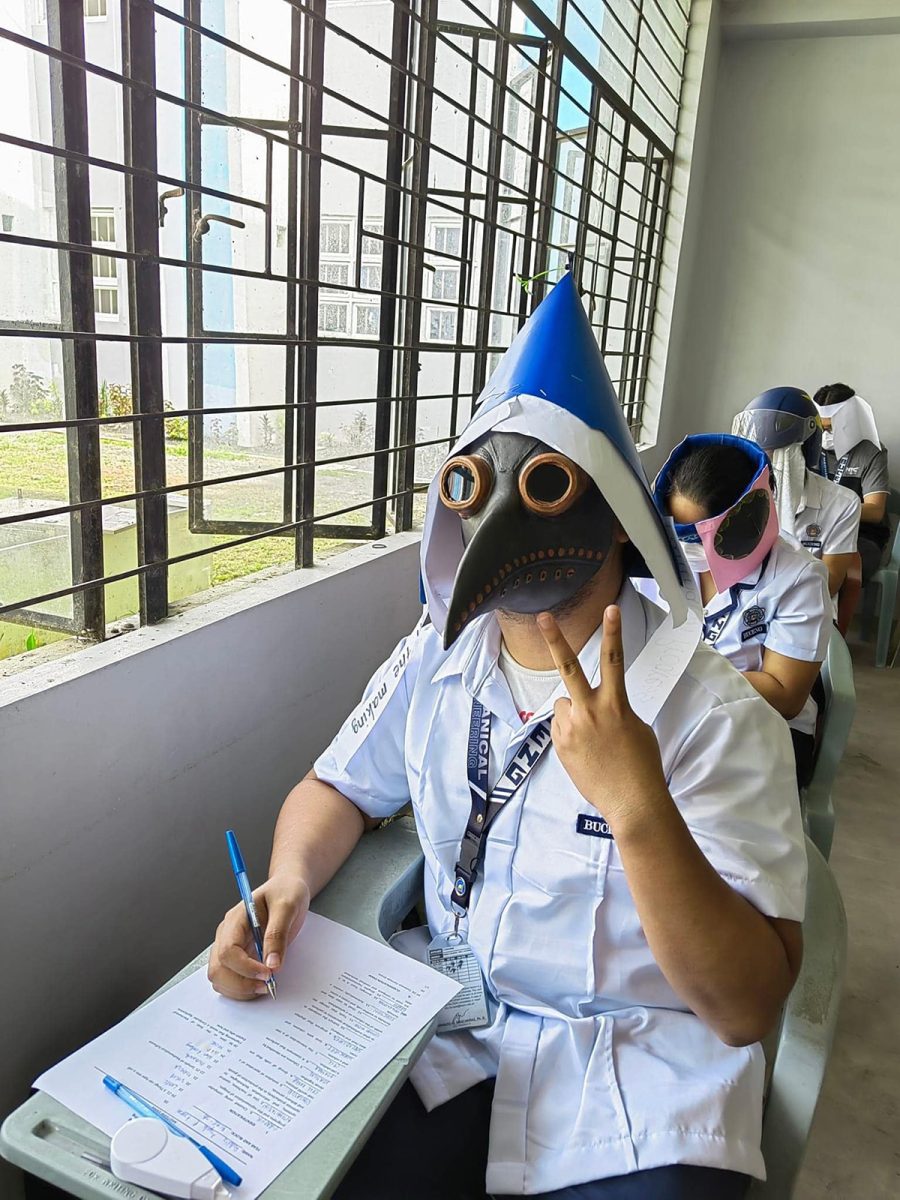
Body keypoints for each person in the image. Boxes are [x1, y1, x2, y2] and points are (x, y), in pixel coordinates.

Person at [208, 272, 806, 1200]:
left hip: (640, 1088)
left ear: (615, 519)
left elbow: (744, 1008)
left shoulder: (718, 720)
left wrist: (639, 808)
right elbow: (333, 791)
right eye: (475, 490)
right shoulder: (432, 662)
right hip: (449, 1033)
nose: (499, 524)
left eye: (545, 487)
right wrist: (288, 879)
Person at [647, 434, 831, 787]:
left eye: (705, 536)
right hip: (673, 714)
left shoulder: (798, 578)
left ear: (749, 521)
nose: (694, 547)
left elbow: (785, 694)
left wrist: (671, 676)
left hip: (765, 724)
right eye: (685, 534)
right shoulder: (659, 560)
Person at [732, 387, 860, 598]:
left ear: (805, 451)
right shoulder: (738, 493)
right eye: (759, 454)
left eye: (777, 455)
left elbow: (827, 587)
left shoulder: (843, 504)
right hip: (744, 605)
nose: (766, 465)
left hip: (808, 612)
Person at [814, 383, 891, 583]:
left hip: (860, 534)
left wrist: (825, 509)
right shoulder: (807, 448)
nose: (825, 436)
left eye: (831, 428)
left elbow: (875, 511)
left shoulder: (872, 452)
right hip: (813, 529)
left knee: (840, 572)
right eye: (821, 428)